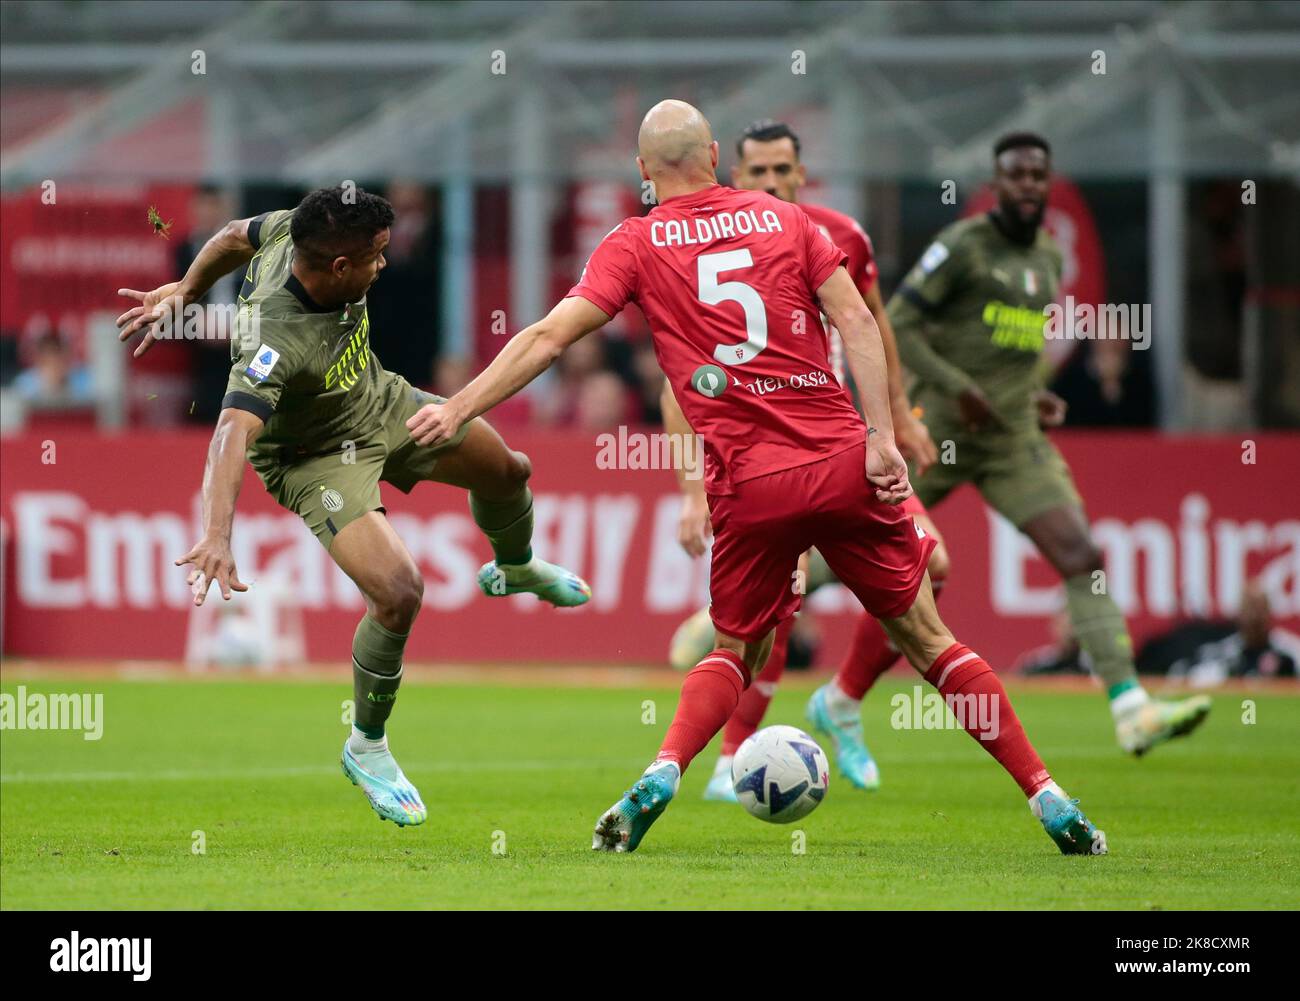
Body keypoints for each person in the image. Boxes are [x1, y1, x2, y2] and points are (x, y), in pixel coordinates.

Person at [406, 101, 1107, 856]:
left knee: (736, 647)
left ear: (644, 172)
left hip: (749, 485)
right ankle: (1047, 794)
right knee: (932, 640)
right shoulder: (789, 223)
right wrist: (882, 437)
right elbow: (861, 324)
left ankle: (664, 770)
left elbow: (546, 337)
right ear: (716, 154)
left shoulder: (633, 242)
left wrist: (459, 407)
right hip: (842, 463)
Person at [115, 186, 591, 828]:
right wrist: (216, 533)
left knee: (509, 471)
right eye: (376, 256)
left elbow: (230, 234)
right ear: (340, 268)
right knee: (399, 590)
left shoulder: (293, 229)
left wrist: (186, 288)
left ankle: (517, 565)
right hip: (314, 457)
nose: (383, 265)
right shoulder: (275, 342)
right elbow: (231, 430)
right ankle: (366, 745)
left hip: (378, 401)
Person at [890, 132, 1210, 755]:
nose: (1028, 185)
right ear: (997, 182)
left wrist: (1032, 392)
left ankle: (1131, 708)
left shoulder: (1048, 259)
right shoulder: (962, 247)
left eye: (1039, 175)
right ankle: (722, 626)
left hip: (1012, 438)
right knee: (854, 536)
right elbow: (899, 322)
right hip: (943, 429)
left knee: (1081, 552)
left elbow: (1023, 347)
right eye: (1016, 175)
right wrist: (958, 389)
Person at [660, 119, 949, 799]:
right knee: (775, 610)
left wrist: (898, 416)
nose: (768, 182)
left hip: (843, 442)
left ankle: (841, 698)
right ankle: (730, 761)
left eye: (779, 171)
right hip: (763, 454)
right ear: (732, 173)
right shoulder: (712, 248)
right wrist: (690, 487)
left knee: (933, 562)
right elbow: (681, 375)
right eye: (754, 171)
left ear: (800, 172)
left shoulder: (840, 235)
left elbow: (872, 322)